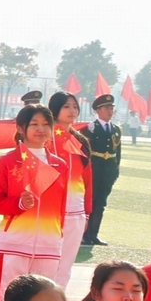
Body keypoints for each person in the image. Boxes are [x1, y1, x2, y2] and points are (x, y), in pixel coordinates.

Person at [0, 103, 69, 288]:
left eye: (46, 124)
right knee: (6, 299)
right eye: (34, 124)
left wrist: (58, 237)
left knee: (42, 299)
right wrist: (19, 204)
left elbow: (62, 208)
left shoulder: (60, 165)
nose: (41, 129)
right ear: (21, 128)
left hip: (49, 246)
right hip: (13, 245)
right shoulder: (7, 161)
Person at [48, 91, 91, 269]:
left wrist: (86, 212)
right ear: (55, 109)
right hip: (50, 211)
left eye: (75, 107)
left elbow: (87, 179)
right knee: (47, 262)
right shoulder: (45, 138)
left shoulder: (80, 140)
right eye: (66, 106)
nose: (72, 111)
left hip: (76, 211)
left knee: (66, 264)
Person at [83, 92, 123, 246]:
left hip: (108, 171)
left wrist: (115, 170)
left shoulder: (116, 129)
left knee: (101, 203)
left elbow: (117, 152)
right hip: (94, 169)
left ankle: (94, 234)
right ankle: (85, 234)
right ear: (98, 110)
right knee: (90, 202)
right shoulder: (91, 128)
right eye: (106, 108)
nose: (110, 111)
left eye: (111, 108)